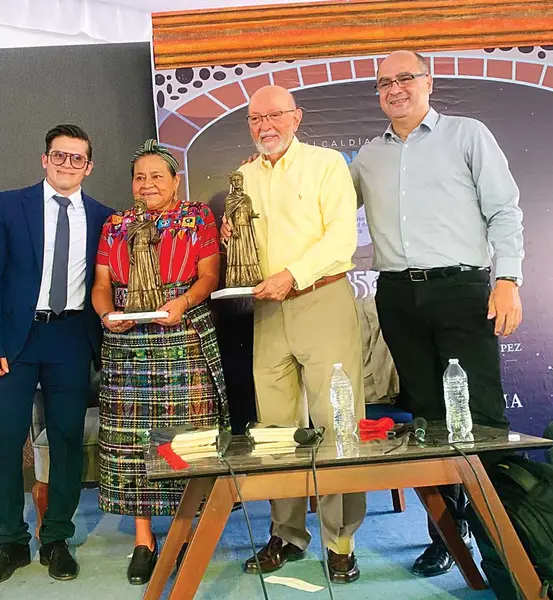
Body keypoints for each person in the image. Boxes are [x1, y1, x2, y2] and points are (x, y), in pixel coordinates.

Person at [350, 50, 524, 577]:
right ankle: (449, 536)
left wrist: (508, 279)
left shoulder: (467, 134)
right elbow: (325, 211)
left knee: (482, 419)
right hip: (396, 296)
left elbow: (504, 209)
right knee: (427, 420)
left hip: (462, 290)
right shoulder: (367, 157)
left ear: (429, 82)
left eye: (405, 78)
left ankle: (508, 544)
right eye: (384, 82)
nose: (394, 89)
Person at [223, 85, 366, 582]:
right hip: (267, 310)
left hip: (321, 298)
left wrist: (293, 275)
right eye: (255, 118)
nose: (265, 125)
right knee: (276, 428)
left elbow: (342, 238)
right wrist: (231, 240)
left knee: (336, 422)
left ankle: (340, 541)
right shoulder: (242, 176)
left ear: (296, 117)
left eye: (275, 115)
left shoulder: (327, 165)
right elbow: (242, 247)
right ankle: (286, 534)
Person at [0, 124, 114, 585]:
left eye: (77, 158)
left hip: (70, 337)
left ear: (88, 167)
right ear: (44, 159)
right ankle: (9, 542)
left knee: (67, 440)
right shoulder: (9, 205)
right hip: (15, 340)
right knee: (6, 438)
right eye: (59, 155)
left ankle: (56, 539)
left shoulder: (105, 217)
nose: (67, 164)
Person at [91, 139, 230, 585]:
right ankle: (143, 539)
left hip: (183, 329)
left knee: (187, 436)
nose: (147, 184)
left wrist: (183, 302)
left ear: (175, 180)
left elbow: (209, 275)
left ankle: (187, 533)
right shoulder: (115, 225)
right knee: (134, 440)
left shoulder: (197, 216)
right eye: (140, 177)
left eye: (156, 176)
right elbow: (102, 283)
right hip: (128, 341)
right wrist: (106, 314)